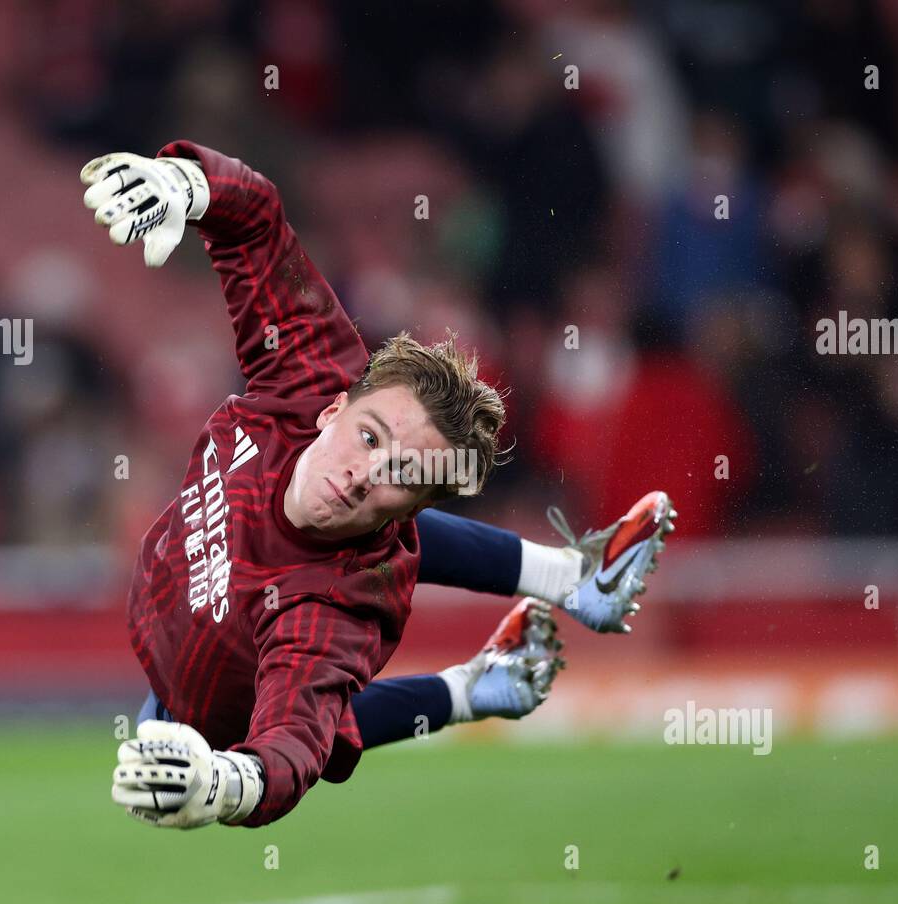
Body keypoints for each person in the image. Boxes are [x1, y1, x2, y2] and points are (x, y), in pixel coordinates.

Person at [81, 143, 675, 830]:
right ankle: (570, 584)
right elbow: (258, 221)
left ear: (406, 517)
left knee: (322, 713)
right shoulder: (311, 372)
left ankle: (489, 674)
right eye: (368, 437)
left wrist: (222, 784)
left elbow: (290, 748)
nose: (366, 473)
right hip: (187, 626)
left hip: (208, 706)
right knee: (349, 565)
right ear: (334, 407)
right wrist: (183, 185)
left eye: (401, 478)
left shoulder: (329, 615)